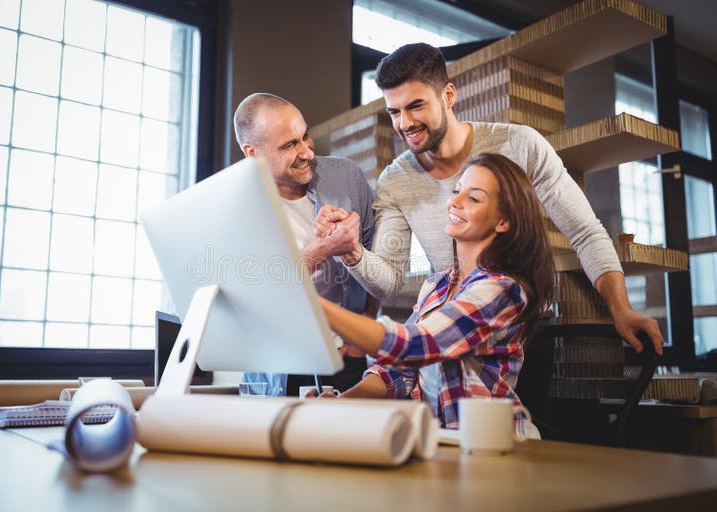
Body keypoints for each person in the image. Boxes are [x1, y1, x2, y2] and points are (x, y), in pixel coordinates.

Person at [315, 42, 664, 356]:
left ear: (448, 95)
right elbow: (389, 281)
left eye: (415, 106)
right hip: (451, 329)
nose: (405, 123)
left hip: (519, 330)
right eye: (394, 112)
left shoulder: (520, 145)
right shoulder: (395, 179)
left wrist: (621, 308)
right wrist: (352, 251)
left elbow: (585, 232)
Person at [320, 153, 553, 433]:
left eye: (473, 198)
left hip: (493, 444)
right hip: (443, 443)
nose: (454, 202)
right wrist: (337, 405)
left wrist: (318, 307)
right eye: (456, 191)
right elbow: (397, 372)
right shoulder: (437, 285)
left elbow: (413, 346)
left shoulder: (500, 289)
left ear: (503, 221)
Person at [233, 92, 377, 397]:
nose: (307, 152)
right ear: (253, 153)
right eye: (289, 145)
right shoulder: (235, 206)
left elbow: (377, 256)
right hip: (274, 365)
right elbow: (259, 295)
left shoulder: (347, 178)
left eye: (305, 136)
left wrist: (366, 322)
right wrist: (322, 249)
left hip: (346, 356)